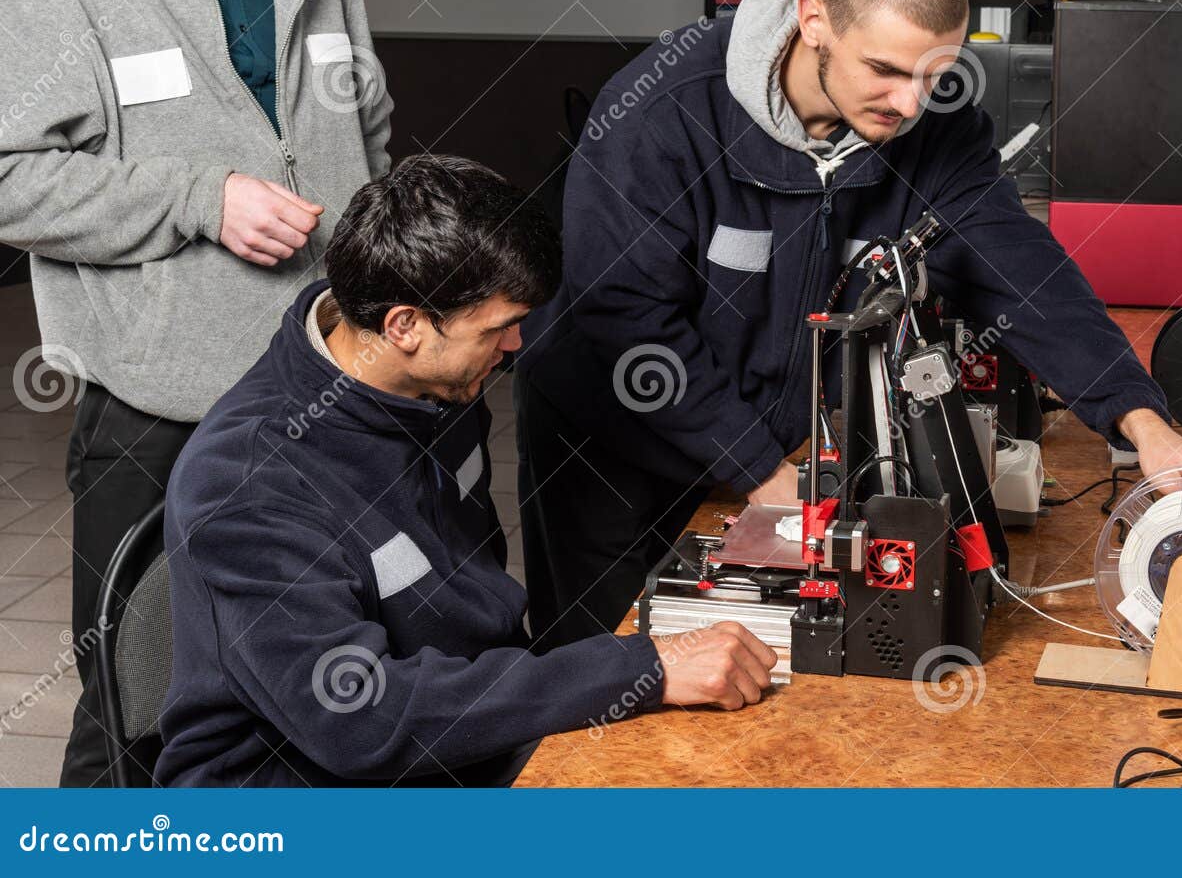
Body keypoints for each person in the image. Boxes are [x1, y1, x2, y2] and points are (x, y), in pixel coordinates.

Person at [514, 0, 1182, 653]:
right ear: (813, 19)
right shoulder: (662, 112)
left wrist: (1144, 423)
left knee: (734, 676)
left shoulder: (932, 128)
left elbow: (1021, 270)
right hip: (609, 446)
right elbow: (627, 320)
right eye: (885, 70)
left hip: (757, 455)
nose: (910, 103)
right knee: (600, 674)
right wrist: (755, 467)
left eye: (934, 74)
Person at [0, 0, 392, 784]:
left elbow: (364, 137)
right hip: (159, 414)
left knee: (320, 683)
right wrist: (198, 198)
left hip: (327, 392)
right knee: (137, 707)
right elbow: (9, 174)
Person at [157, 155, 776, 787]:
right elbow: (359, 719)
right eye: (500, 328)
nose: (515, 346)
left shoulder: (438, 386)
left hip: (456, 736)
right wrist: (636, 670)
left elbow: (477, 618)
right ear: (405, 325)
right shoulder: (250, 482)